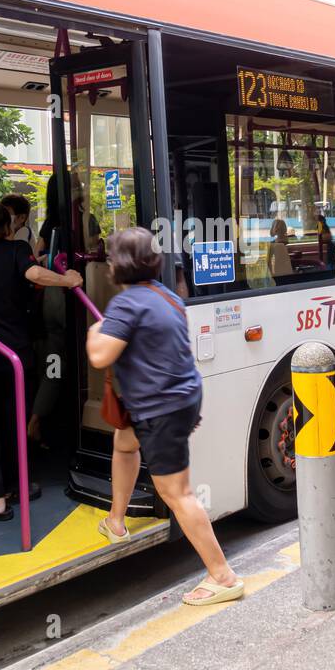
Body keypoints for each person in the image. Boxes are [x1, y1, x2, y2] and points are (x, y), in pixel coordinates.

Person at [87, 227, 244, 605]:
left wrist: (95, 330)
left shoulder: (126, 304)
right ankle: (116, 521)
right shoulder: (168, 296)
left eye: (110, 259)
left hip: (161, 409)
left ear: (118, 265)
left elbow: (99, 356)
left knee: (177, 493)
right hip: (180, 399)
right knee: (124, 444)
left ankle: (223, 577)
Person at [0, 202, 81, 520]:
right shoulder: (15, 249)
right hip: (11, 353)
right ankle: (20, 485)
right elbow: (35, 274)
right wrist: (68, 279)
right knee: (14, 421)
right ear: (6, 226)